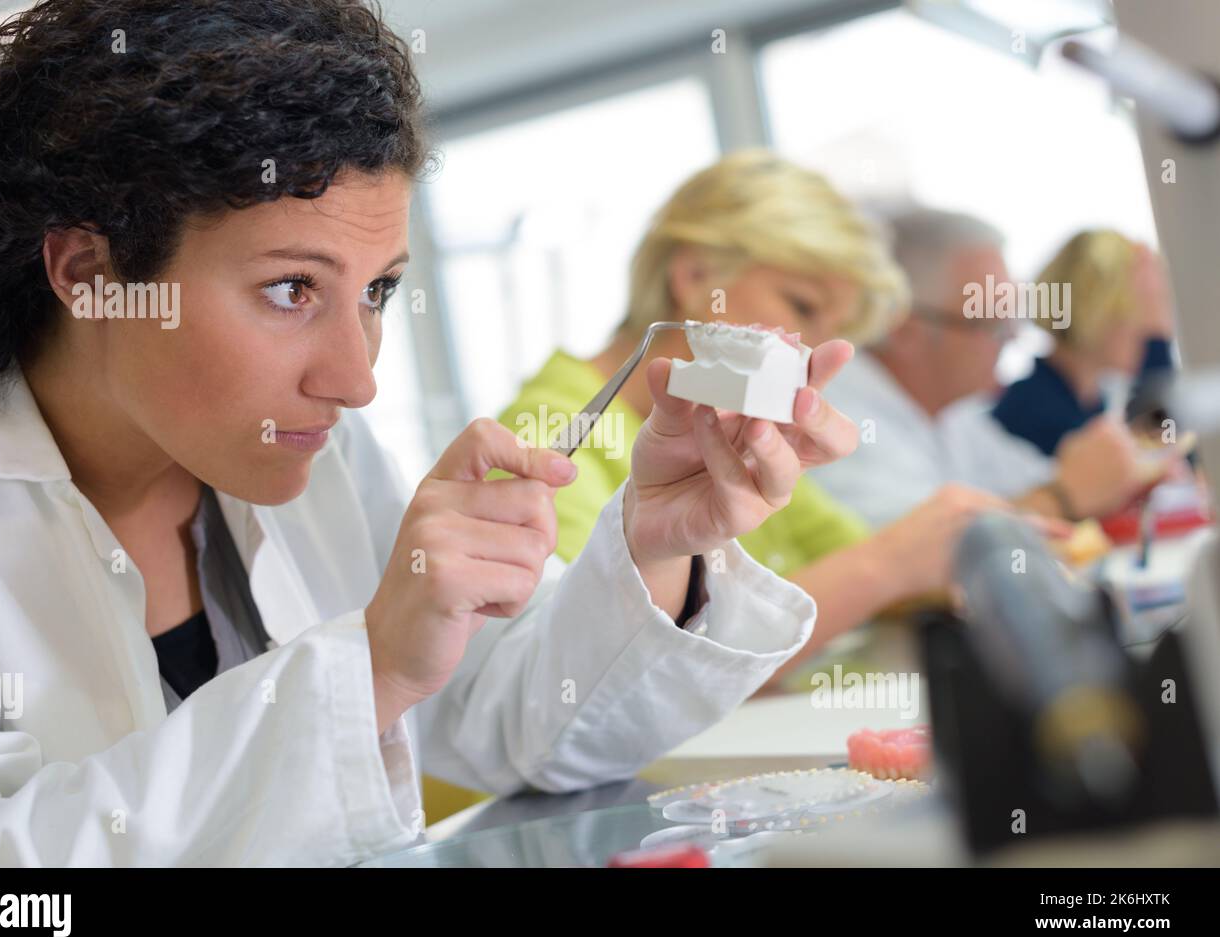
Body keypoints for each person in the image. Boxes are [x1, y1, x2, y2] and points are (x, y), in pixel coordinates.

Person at [0, 0, 861, 865]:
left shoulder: (316, 457)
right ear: (88, 272)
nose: (357, 379)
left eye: (376, 291)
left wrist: (659, 545)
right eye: (291, 289)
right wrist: (368, 665)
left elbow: (511, 730)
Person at [499, 154, 1031, 663]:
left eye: (832, 330)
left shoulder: (728, 425)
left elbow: (853, 555)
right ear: (694, 277)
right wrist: (887, 564)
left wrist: (930, 549)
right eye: (801, 306)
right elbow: (584, 664)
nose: (809, 349)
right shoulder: (549, 432)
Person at [814, 208, 1149, 529]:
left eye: (1011, 321)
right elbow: (909, 559)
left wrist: (1120, 476)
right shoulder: (837, 425)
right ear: (904, 330)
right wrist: (1064, 497)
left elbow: (1025, 479)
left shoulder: (951, 415)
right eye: (992, 326)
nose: (1013, 340)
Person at [992, 229, 1176, 456]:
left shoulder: (1096, 401)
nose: (1149, 324)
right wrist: (1157, 345)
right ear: (1098, 312)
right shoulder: (1034, 413)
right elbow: (1158, 455)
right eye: (1141, 307)